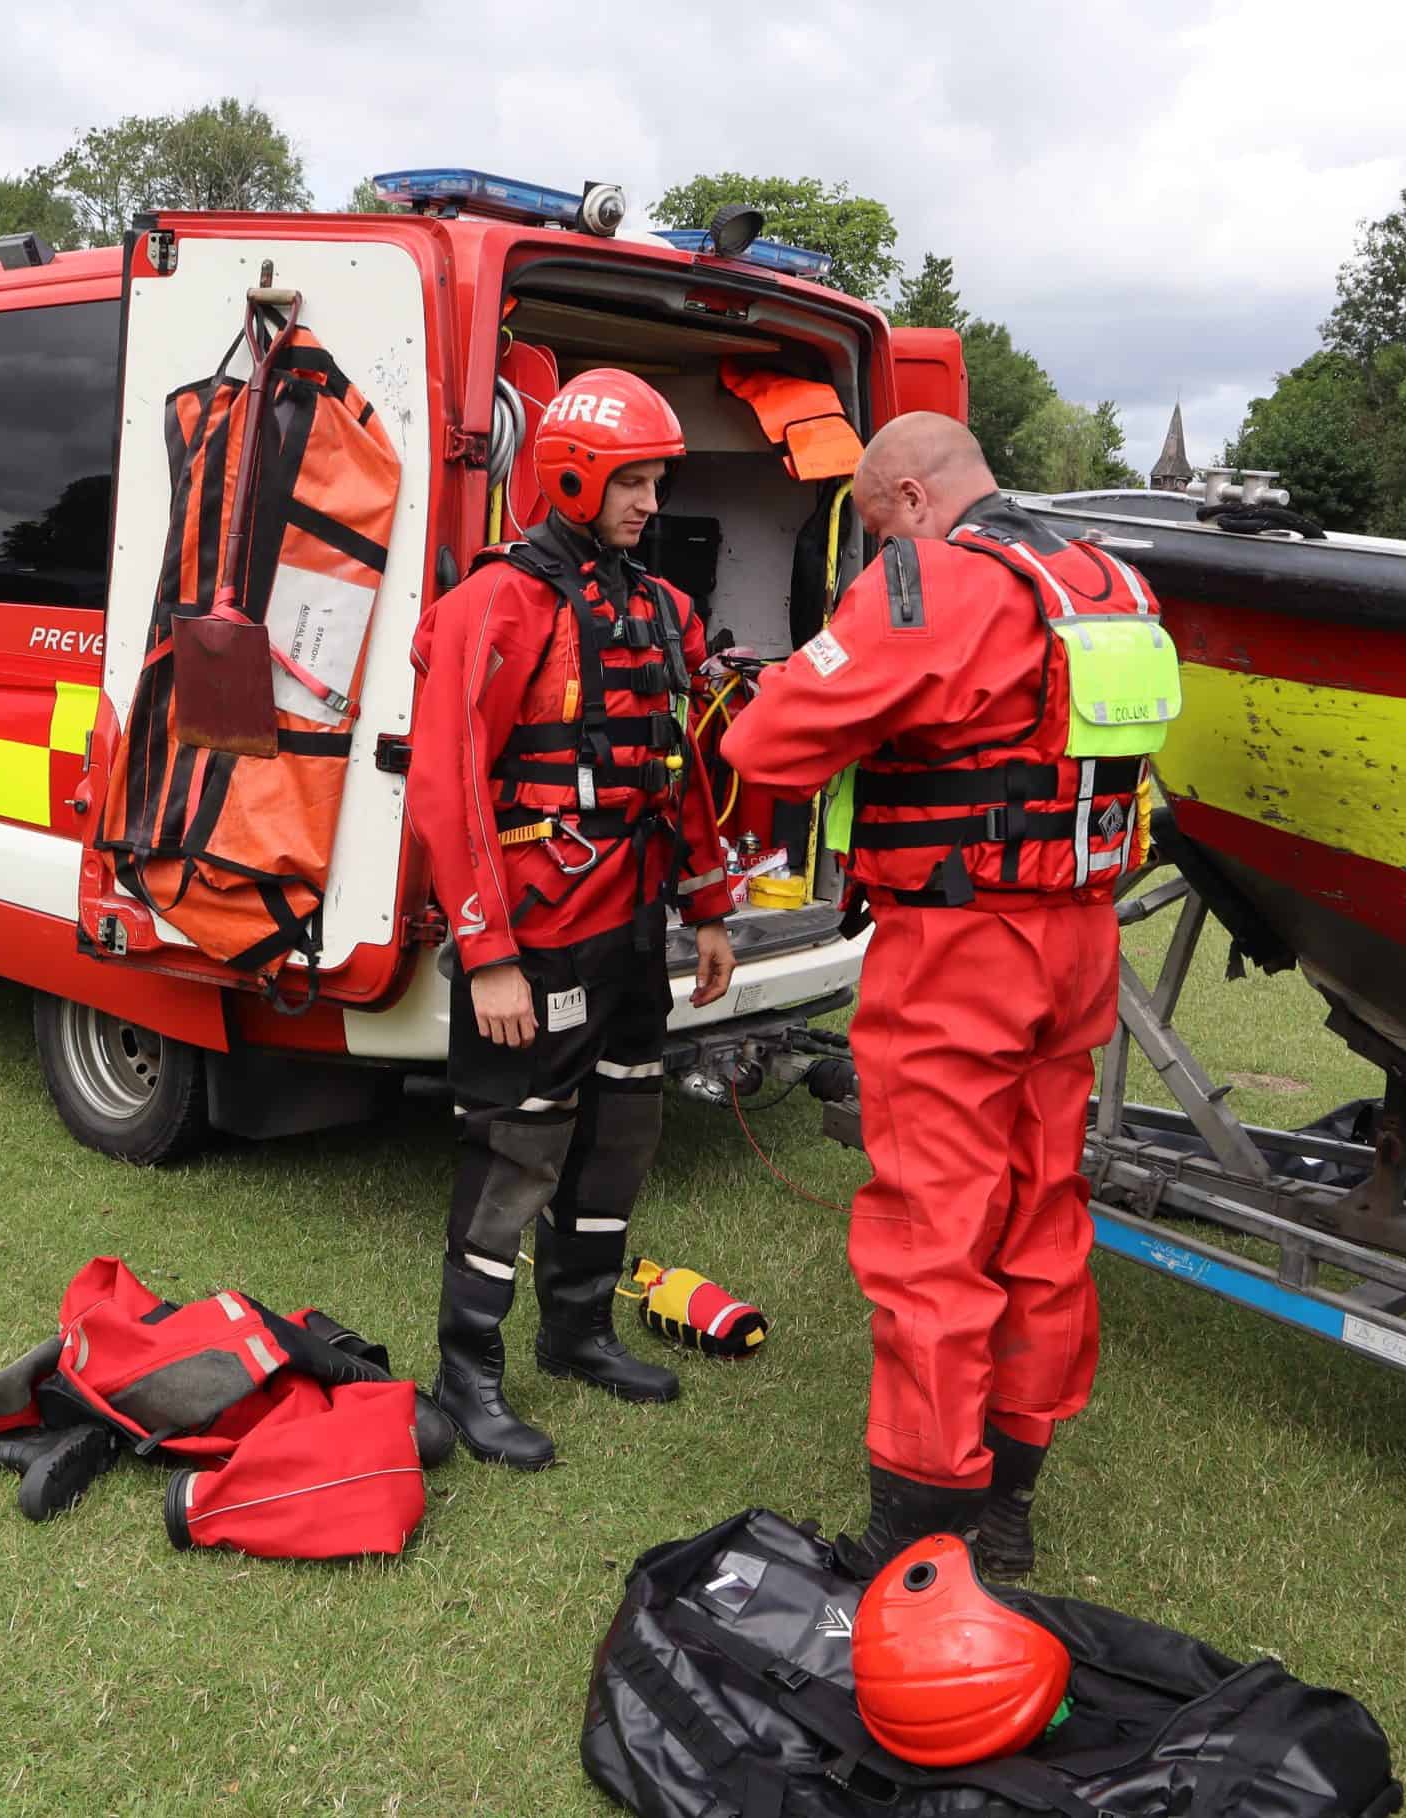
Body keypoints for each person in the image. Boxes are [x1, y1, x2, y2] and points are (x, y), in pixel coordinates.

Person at [721, 412, 1170, 1578]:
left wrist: (792, 677)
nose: (876, 551)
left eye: (874, 527)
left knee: (936, 1227)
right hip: (1077, 938)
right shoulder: (1108, 580)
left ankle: (915, 1528)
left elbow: (767, 745)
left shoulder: (931, 580)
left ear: (911, 500)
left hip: (961, 947)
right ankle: (1009, 1502)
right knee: (1042, 1213)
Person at [405, 368, 738, 1469]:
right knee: (520, 1146)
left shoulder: (657, 606)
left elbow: (675, 766)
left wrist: (710, 907)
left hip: (633, 925)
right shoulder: (496, 605)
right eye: (632, 479)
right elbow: (448, 786)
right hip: (540, 931)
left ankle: (580, 1328)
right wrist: (488, 956)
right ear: (574, 474)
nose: (649, 501)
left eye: (654, 480)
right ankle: (468, 1373)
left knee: (621, 1132)